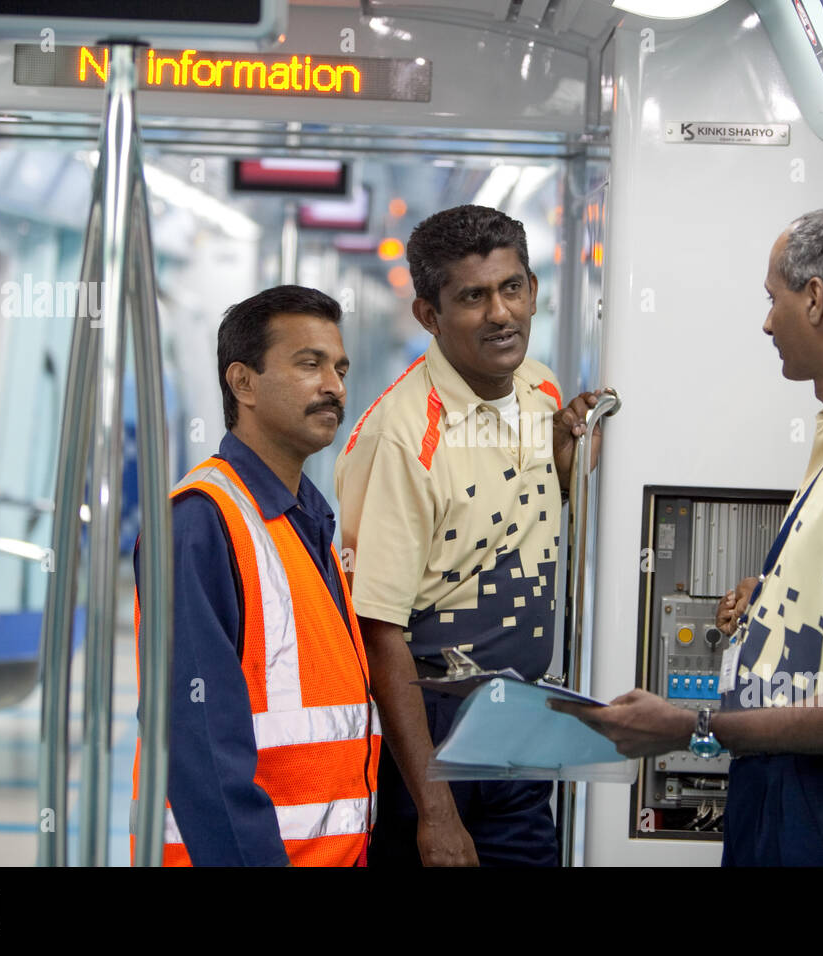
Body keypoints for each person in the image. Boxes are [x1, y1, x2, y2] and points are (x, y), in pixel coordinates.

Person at [552, 205, 823, 867]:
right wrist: (770, 601)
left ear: (815, 299)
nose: (767, 321)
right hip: (781, 783)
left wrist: (691, 726)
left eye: (772, 298)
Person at [334, 204, 602, 867]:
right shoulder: (404, 435)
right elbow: (379, 628)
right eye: (472, 297)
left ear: (533, 289)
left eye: (512, 288)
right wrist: (435, 809)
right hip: (431, 726)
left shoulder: (539, 390)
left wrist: (569, 459)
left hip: (521, 716)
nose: (500, 313)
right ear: (430, 314)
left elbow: (523, 509)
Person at [131, 285, 379, 867]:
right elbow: (200, 750)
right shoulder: (201, 522)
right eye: (309, 364)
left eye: (340, 368)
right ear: (242, 382)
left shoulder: (307, 519)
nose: (335, 387)